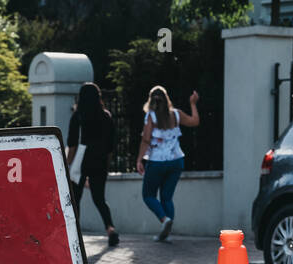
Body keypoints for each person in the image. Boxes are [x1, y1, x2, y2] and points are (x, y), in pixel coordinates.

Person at [135, 85, 200, 241]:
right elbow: (194, 121)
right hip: (176, 161)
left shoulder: (151, 116)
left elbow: (146, 139)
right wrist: (193, 104)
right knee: (167, 197)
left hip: (157, 162)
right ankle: (166, 233)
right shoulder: (176, 115)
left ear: (151, 101)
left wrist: (139, 159)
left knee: (148, 195)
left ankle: (165, 220)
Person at [67, 83, 120, 247]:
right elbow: (111, 146)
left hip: (81, 162)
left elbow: (73, 144)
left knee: (76, 199)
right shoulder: (106, 116)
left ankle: (76, 235)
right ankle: (110, 228)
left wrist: (67, 164)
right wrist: (107, 164)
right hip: (100, 161)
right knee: (99, 199)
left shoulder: (78, 117)